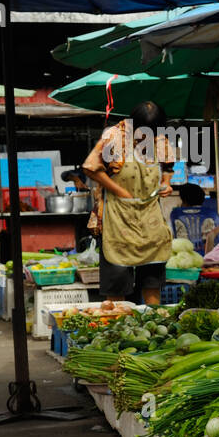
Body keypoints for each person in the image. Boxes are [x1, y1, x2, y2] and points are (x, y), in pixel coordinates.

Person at [82, 100, 174, 305]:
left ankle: (153, 325)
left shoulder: (160, 139)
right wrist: (119, 191)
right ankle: (117, 325)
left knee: (152, 279)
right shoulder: (114, 138)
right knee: (117, 282)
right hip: (118, 220)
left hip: (150, 219)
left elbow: (167, 166)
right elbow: (90, 168)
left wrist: (166, 184)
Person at [168, 182, 219, 255]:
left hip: (183, 258)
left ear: (183, 201)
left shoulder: (176, 215)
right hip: (210, 258)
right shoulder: (212, 214)